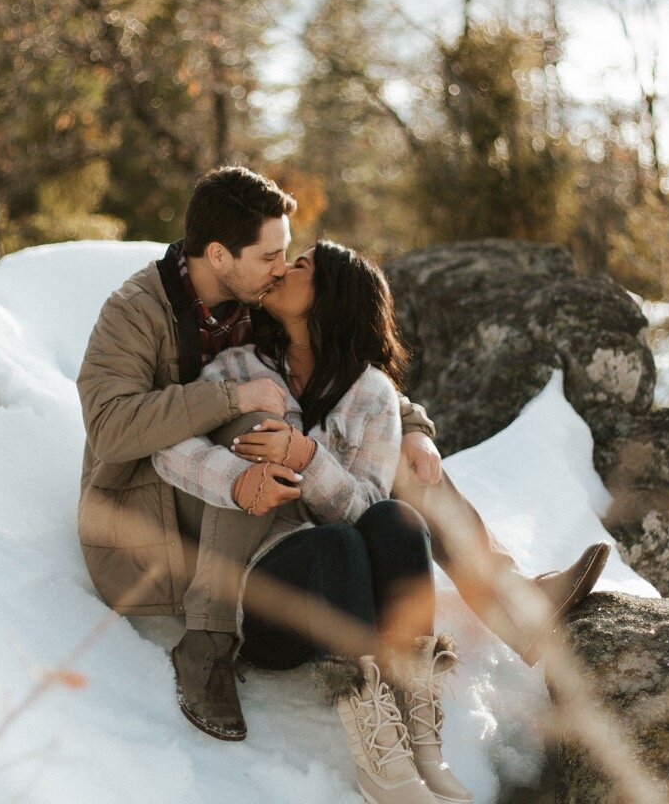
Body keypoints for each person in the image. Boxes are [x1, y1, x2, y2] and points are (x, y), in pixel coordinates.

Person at [75, 166, 609, 745]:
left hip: (266, 502)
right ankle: (208, 641)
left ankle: (511, 604)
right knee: (256, 423)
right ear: (220, 256)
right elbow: (110, 429)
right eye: (271, 256)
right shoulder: (136, 310)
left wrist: (411, 427)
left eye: (288, 255)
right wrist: (230, 400)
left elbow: (340, 357)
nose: (281, 268)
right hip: (156, 513)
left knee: (398, 467)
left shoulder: (253, 296)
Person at [154, 242, 469, 804]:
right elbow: (169, 448)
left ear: (332, 294)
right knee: (335, 546)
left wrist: (307, 458)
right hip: (266, 598)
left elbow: (364, 509)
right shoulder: (236, 369)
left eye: (300, 265)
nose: (282, 269)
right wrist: (237, 481)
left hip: (347, 593)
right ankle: (379, 759)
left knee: (397, 519)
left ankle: (419, 732)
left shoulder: (373, 394)